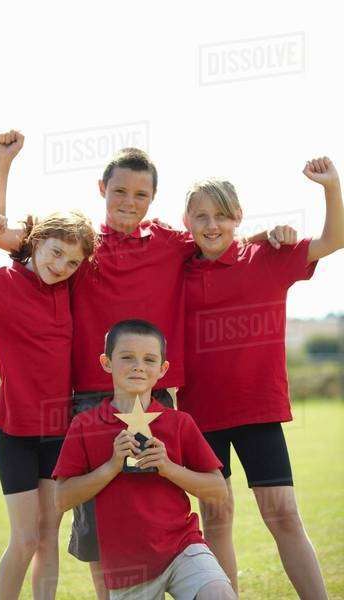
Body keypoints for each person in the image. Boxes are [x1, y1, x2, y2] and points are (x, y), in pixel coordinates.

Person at [0, 133, 297, 599]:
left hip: (156, 396)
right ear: (101, 190)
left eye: (141, 195)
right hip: (89, 403)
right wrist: (3, 161)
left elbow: (217, 237)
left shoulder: (171, 242)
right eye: (120, 192)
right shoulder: (78, 243)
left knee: (157, 512)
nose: (130, 202)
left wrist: (267, 237)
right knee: (98, 529)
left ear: (153, 199)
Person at [177, 156, 344, 599]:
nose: (212, 225)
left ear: (238, 216)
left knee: (284, 517)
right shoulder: (177, 270)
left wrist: (330, 186)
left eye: (222, 215)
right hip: (199, 416)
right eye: (202, 216)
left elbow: (335, 239)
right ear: (187, 220)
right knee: (216, 520)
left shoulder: (268, 257)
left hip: (258, 410)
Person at [0, 141, 96, 598]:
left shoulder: (70, 287)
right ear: (36, 243)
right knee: (25, 539)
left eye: (72, 262)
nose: (61, 267)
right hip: (13, 432)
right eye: (54, 254)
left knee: (48, 538)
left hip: (58, 429)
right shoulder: (3, 286)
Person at [53, 319, 237, 600]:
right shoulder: (84, 425)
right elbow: (62, 498)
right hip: (128, 565)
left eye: (149, 359)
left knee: (219, 592)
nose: (138, 366)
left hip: (182, 546)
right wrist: (112, 466)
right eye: (127, 357)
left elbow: (217, 490)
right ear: (106, 363)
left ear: (162, 369)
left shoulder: (180, 423)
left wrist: (168, 467)